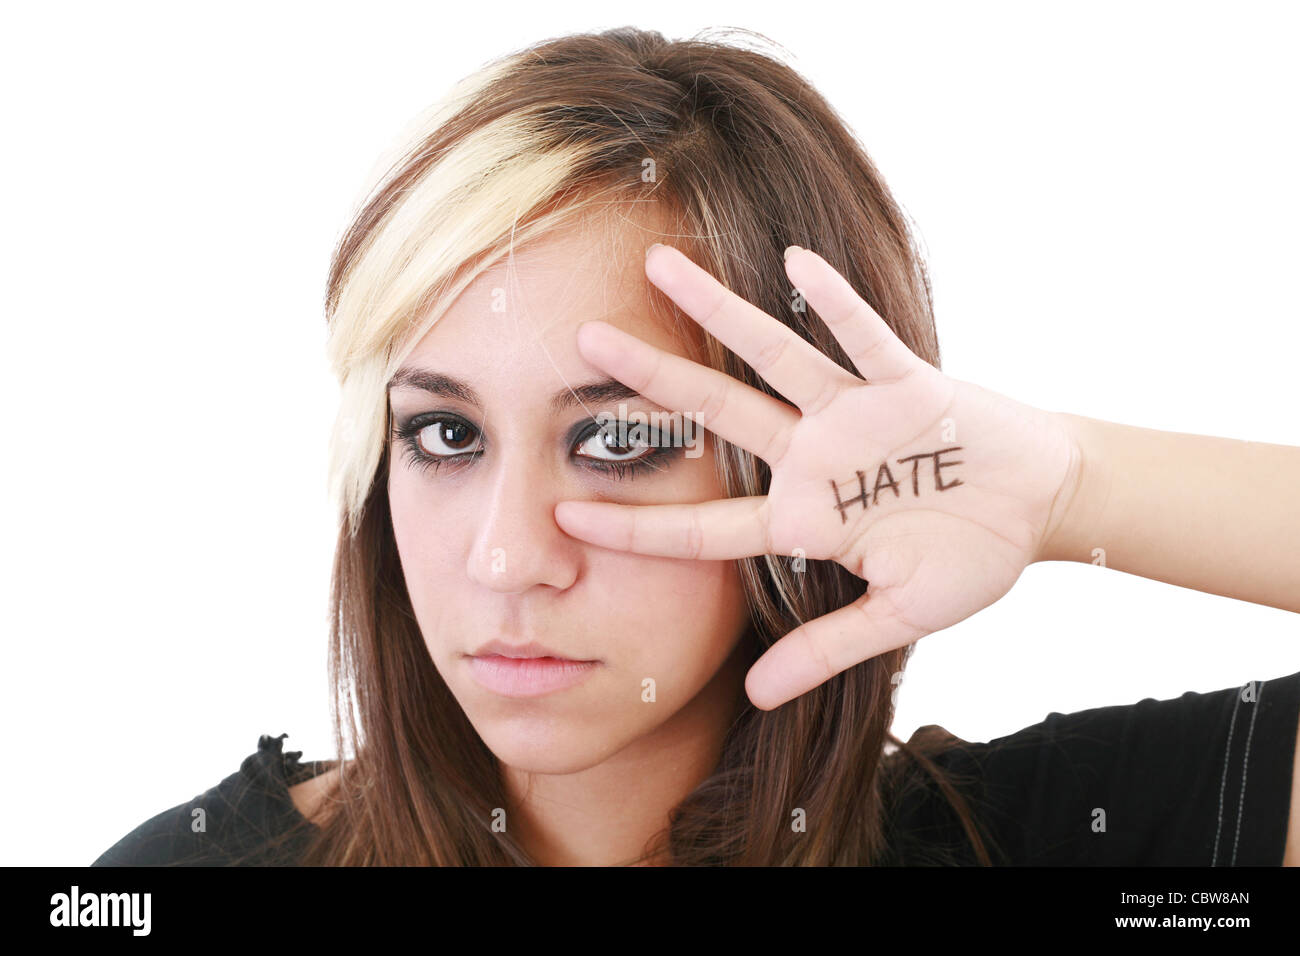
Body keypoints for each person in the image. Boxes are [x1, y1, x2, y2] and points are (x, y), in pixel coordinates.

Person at [92, 26, 1300, 867]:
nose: (509, 558)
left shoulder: (1044, 840)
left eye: (616, 438)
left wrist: (1071, 486)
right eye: (445, 431)